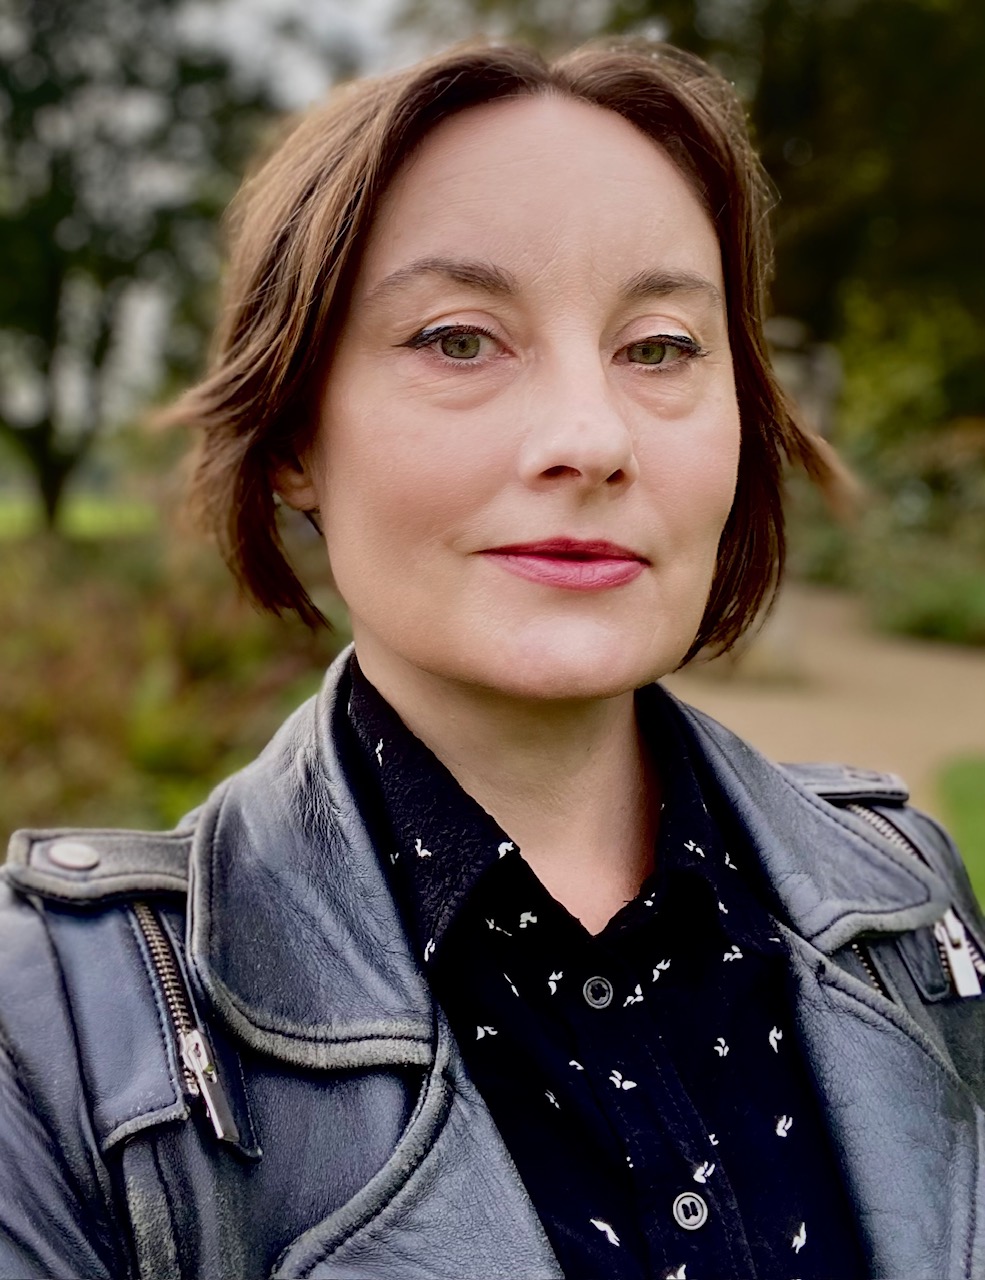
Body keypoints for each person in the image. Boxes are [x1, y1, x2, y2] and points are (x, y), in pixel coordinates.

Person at [1, 37, 983, 1280]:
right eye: (460, 339)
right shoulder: (60, 1027)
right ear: (295, 435)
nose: (592, 436)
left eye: (660, 346)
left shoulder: (908, 899)